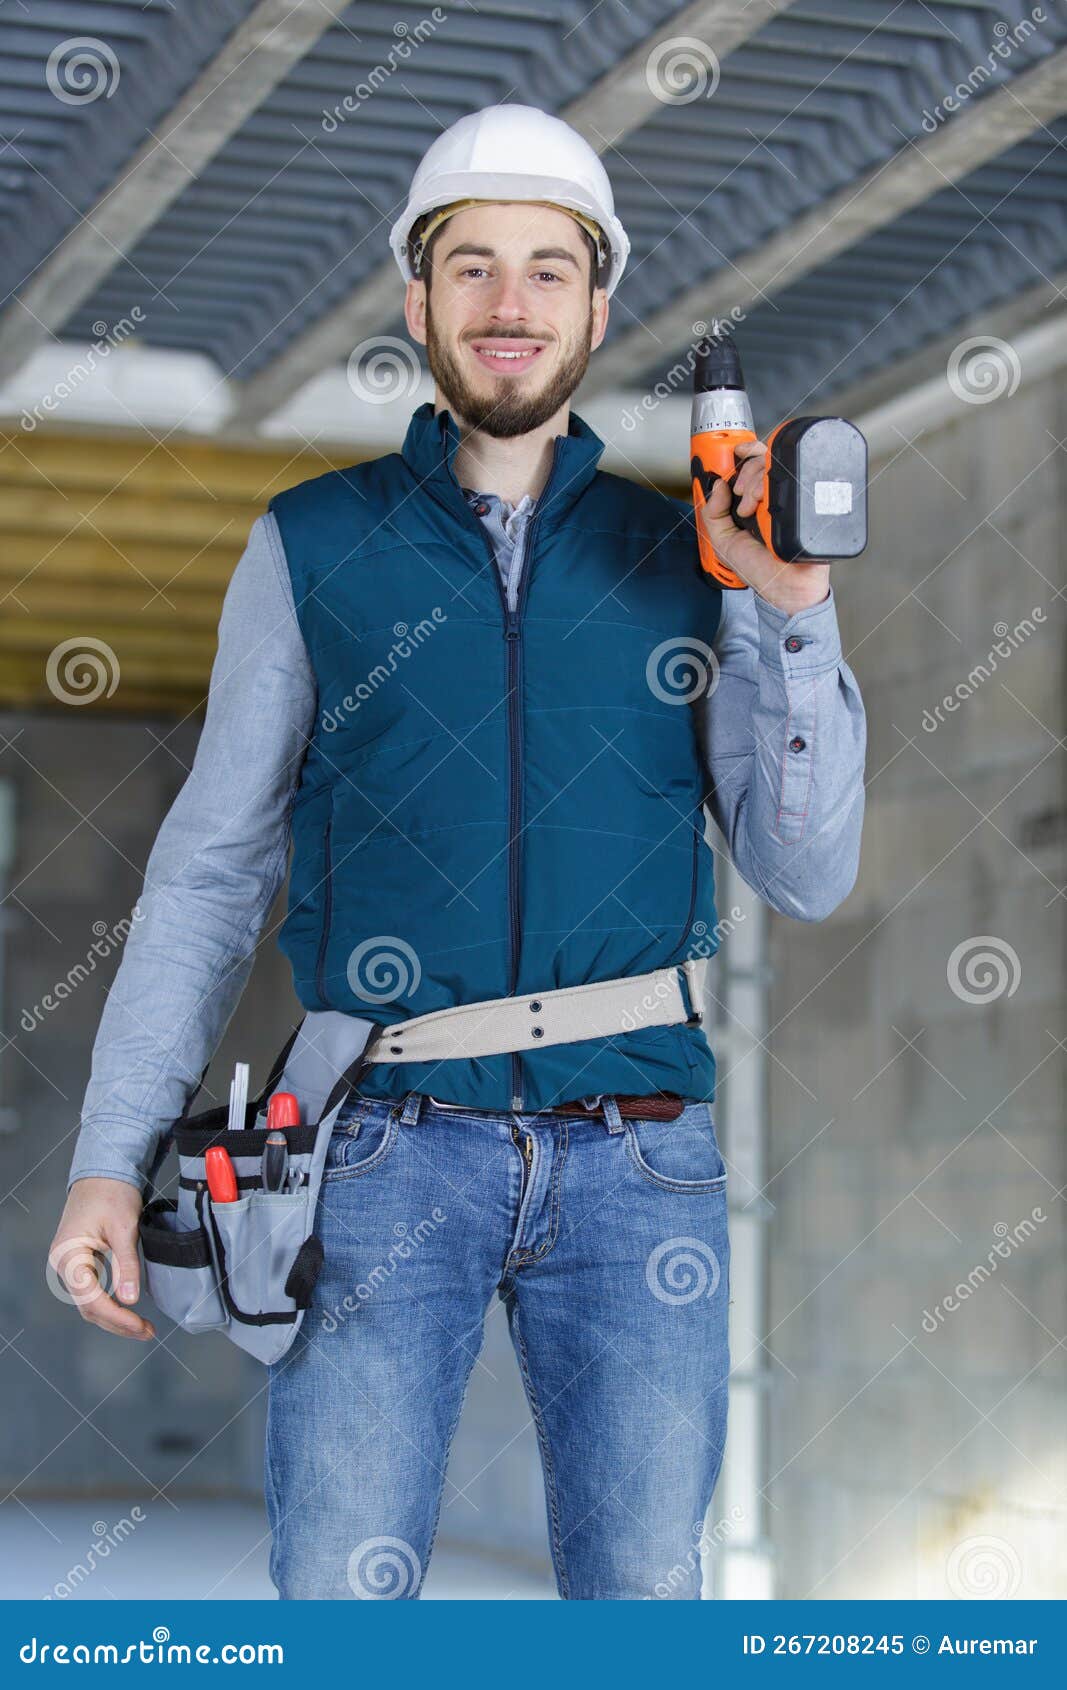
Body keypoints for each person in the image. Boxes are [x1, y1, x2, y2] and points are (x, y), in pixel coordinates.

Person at [49, 104, 866, 1599]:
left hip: (642, 1168)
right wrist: (114, 1157)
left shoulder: (690, 551)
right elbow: (211, 873)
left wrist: (791, 614)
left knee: (642, 1609)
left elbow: (806, 870)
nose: (510, 304)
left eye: (549, 270)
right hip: (373, 1155)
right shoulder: (311, 546)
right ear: (414, 300)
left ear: (597, 305)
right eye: (472, 266)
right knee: (345, 1613)